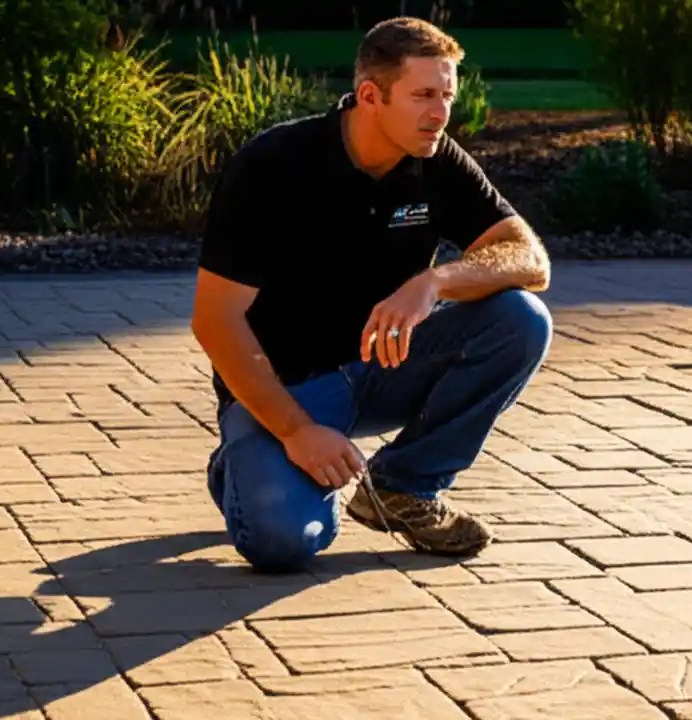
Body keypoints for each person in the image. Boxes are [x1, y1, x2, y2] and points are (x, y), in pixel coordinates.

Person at [190, 16, 553, 573]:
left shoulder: (436, 160)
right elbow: (215, 321)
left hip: (383, 369)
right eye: (424, 95)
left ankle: (404, 484)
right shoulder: (273, 166)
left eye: (447, 96)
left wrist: (433, 282)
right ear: (370, 95)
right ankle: (243, 461)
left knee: (520, 319)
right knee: (282, 544)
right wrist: (295, 430)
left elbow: (529, 258)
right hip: (288, 390)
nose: (440, 113)